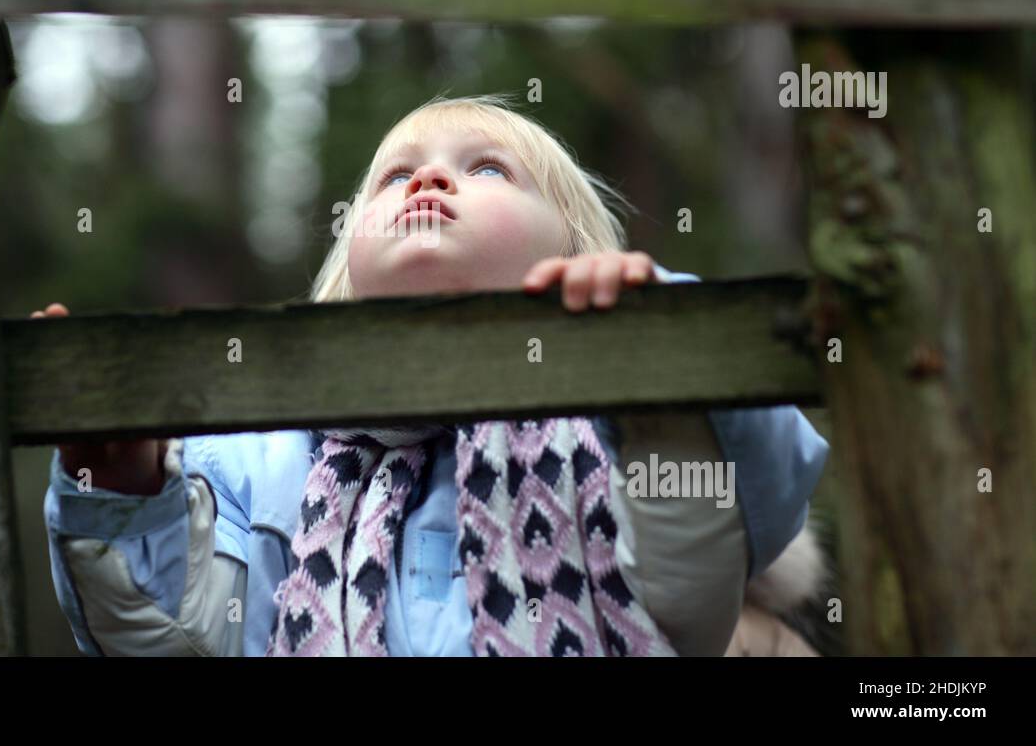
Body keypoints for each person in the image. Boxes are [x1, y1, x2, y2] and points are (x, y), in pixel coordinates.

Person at [43, 93, 829, 656]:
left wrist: (658, 342)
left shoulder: (602, 424)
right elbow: (180, 636)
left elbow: (711, 535)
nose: (428, 182)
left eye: (487, 170)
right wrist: (122, 491)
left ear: (575, 256)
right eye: (394, 177)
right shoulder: (263, 454)